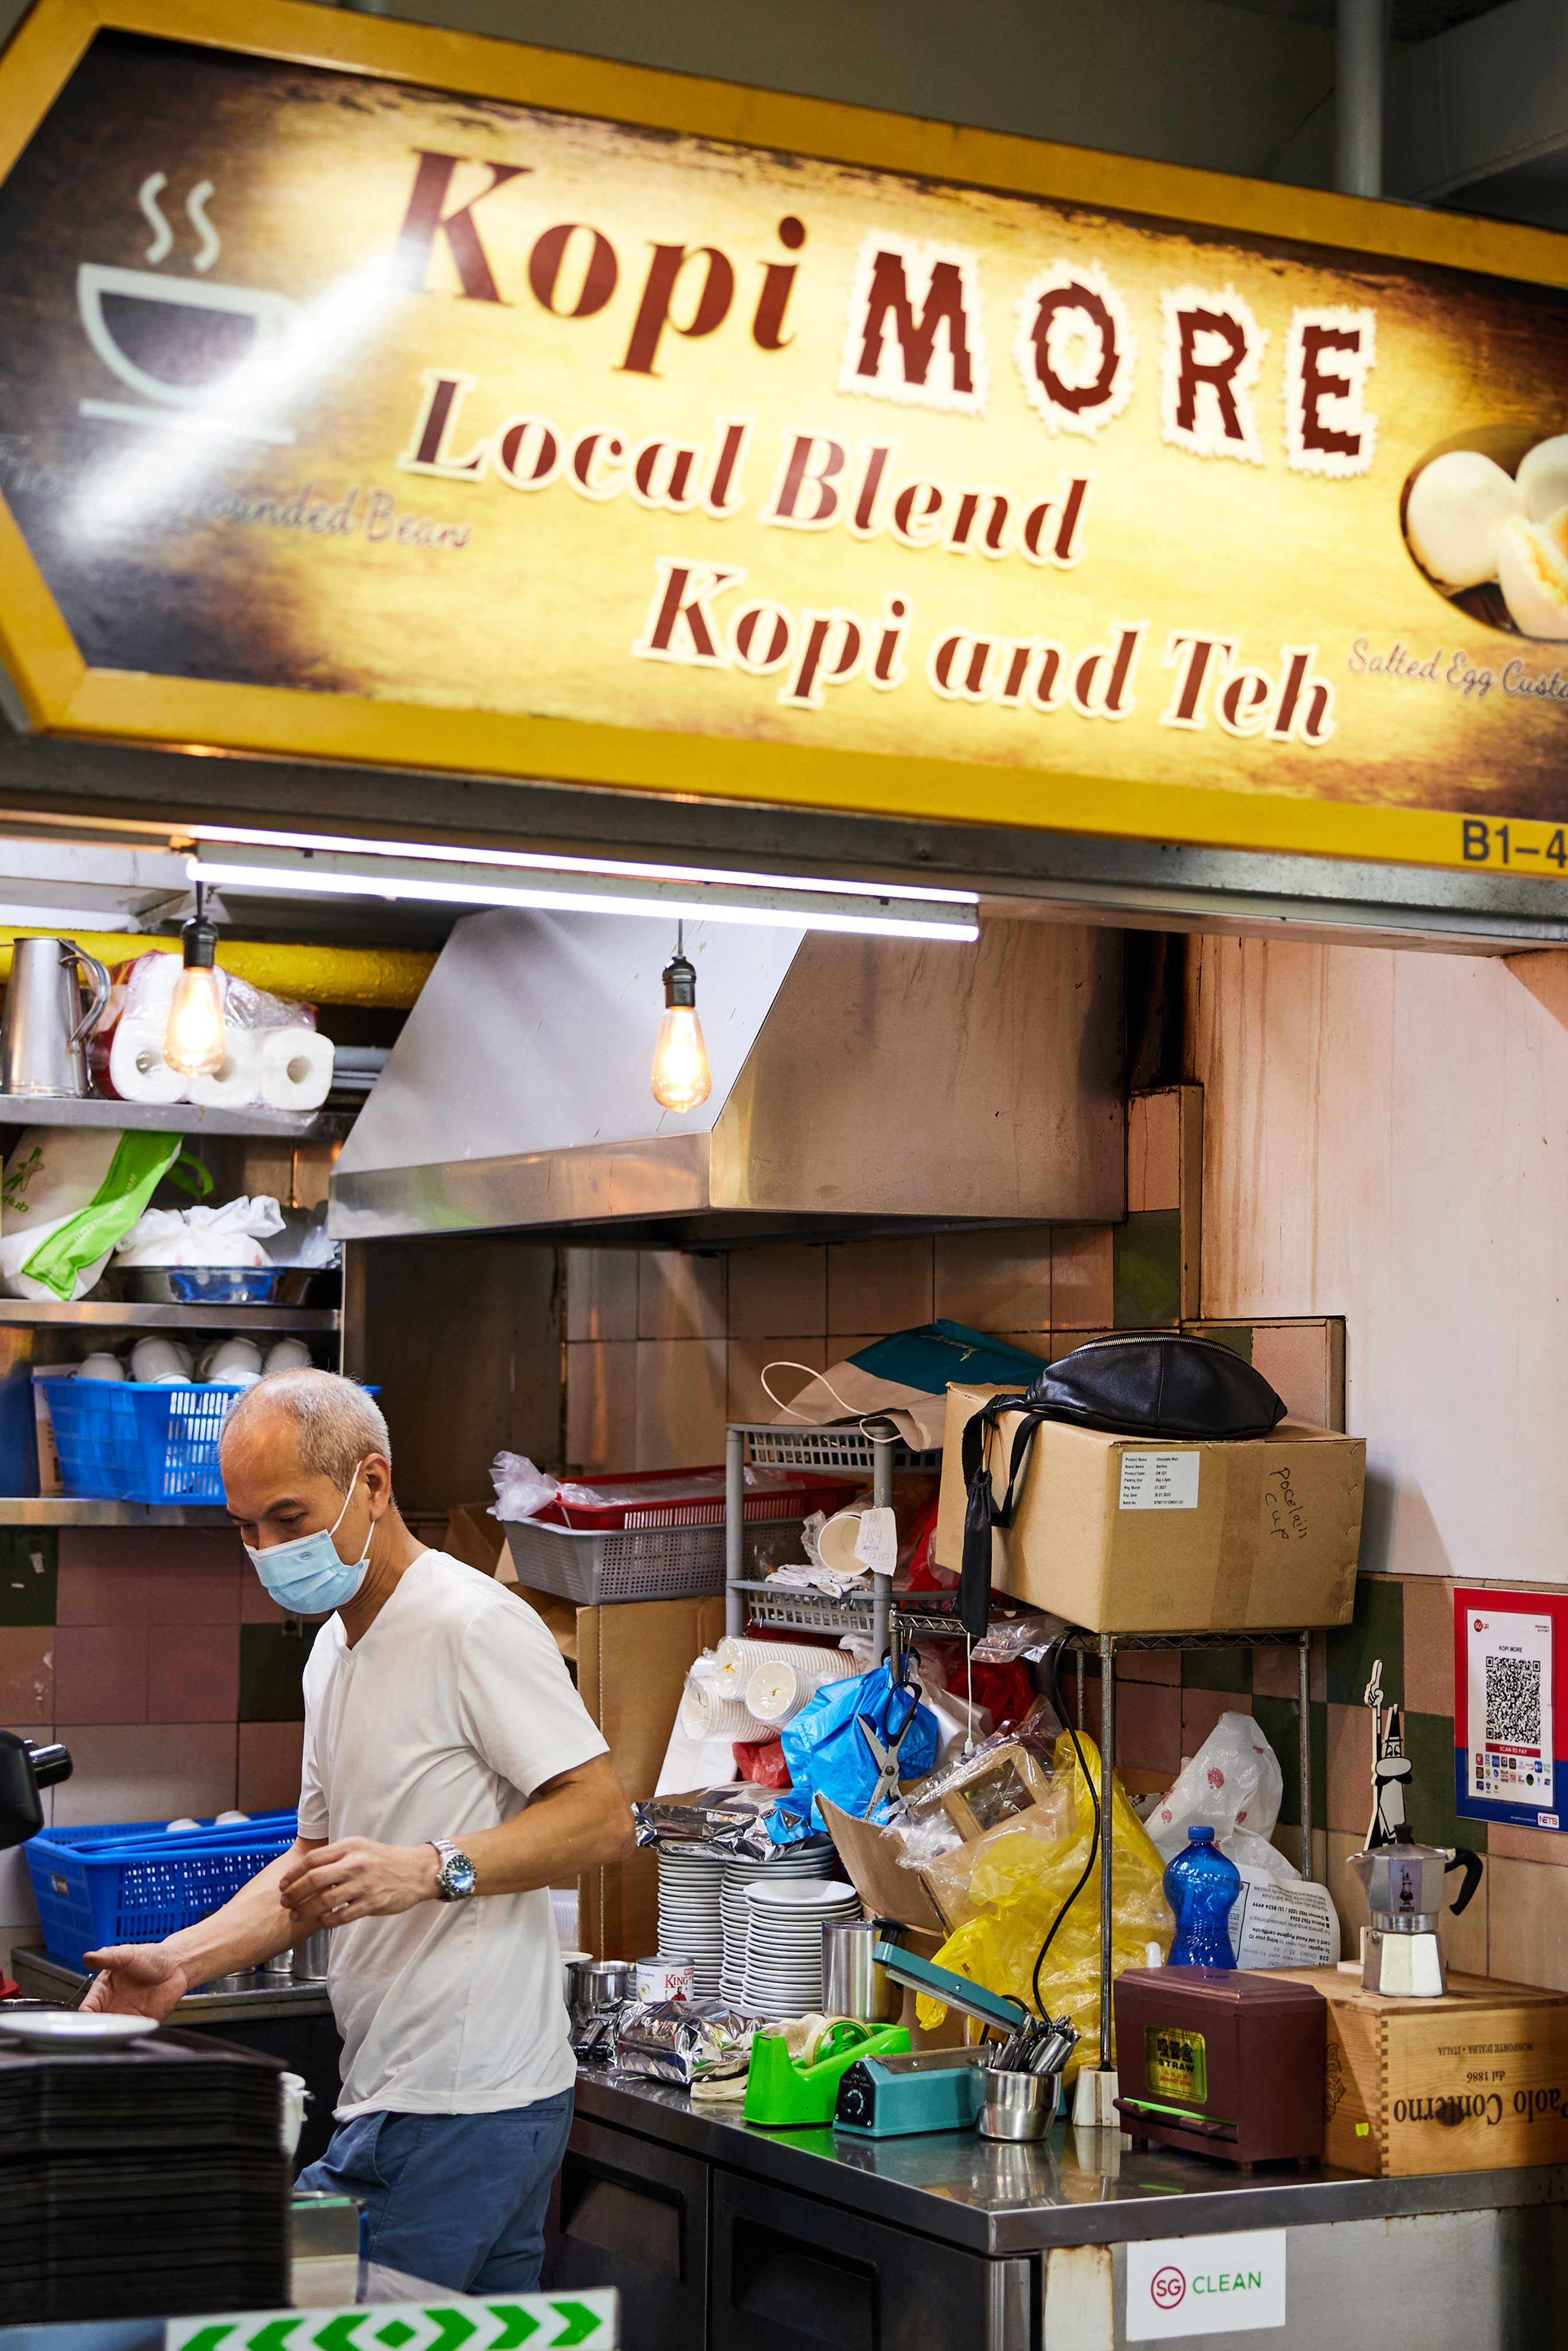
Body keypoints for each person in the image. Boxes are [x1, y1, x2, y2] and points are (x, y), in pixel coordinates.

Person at [83, 1368, 634, 2292]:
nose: (265, 1551)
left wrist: (431, 1869)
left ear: (372, 1485)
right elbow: (313, 1865)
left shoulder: (471, 1624)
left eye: (289, 1520)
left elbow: (601, 1816)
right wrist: (180, 1962)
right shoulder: (335, 1648)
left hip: (455, 2105)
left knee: (302, 2311)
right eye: (246, 1529)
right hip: (428, 2098)